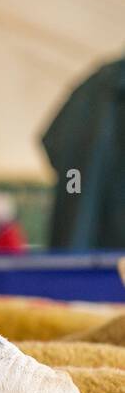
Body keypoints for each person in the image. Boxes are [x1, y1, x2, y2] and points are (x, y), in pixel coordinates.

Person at [41, 51, 125, 250]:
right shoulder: (99, 88)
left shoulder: (92, 86)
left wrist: (76, 189)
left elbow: (53, 144)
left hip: (79, 241)